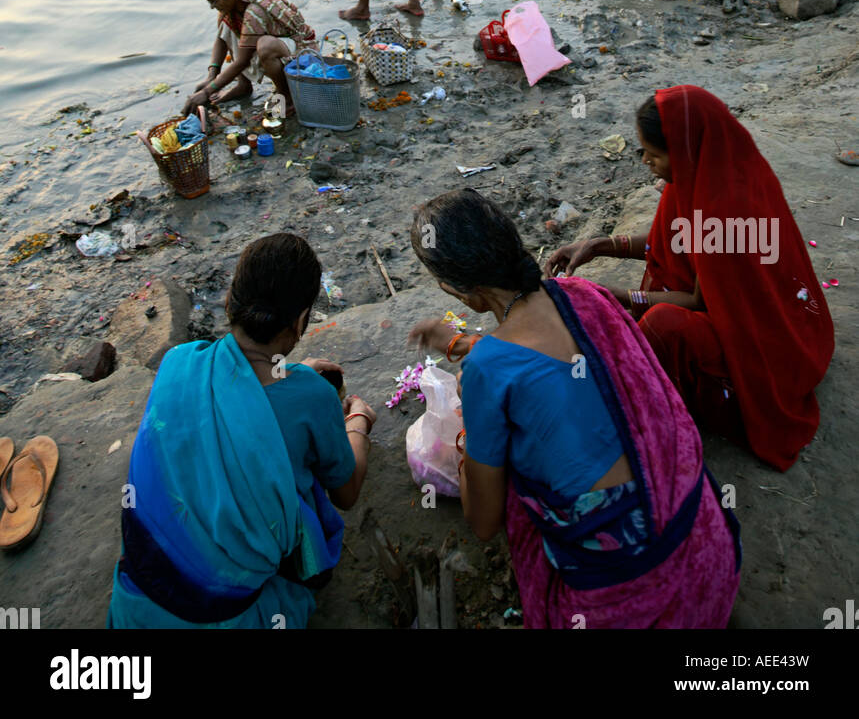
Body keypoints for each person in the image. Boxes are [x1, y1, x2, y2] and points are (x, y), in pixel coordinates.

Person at [408, 190, 741, 630]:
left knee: (510, 479)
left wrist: (471, 430)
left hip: (636, 607)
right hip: (710, 561)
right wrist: (468, 344)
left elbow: (484, 521)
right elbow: (561, 361)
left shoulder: (486, 371)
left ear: (457, 290)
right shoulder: (584, 293)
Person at [547, 87, 835, 473]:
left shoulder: (727, 210)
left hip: (753, 337)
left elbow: (702, 302)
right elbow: (670, 244)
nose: (647, 162)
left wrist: (624, 297)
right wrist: (599, 245)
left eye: (654, 153)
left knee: (660, 327)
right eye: (643, 151)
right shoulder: (700, 174)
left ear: (684, 150)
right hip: (724, 303)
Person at [107, 232, 375, 629]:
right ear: (301, 321)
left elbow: (242, 396)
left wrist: (297, 379)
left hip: (139, 600)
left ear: (231, 299)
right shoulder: (314, 397)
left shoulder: (179, 361)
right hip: (226, 616)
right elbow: (347, 493)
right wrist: (358, 424)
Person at [184, 0, 316, 112]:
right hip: (279, 47)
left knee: (265, 45)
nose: (212, 7)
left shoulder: (256, 10)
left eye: (214, 1)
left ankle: (286, 96)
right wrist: (211, 76)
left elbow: (242, 61)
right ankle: (243, 85)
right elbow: (221, 40)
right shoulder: (230, 9)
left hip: (299, 54)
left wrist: (207, 92)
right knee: (228, 28)